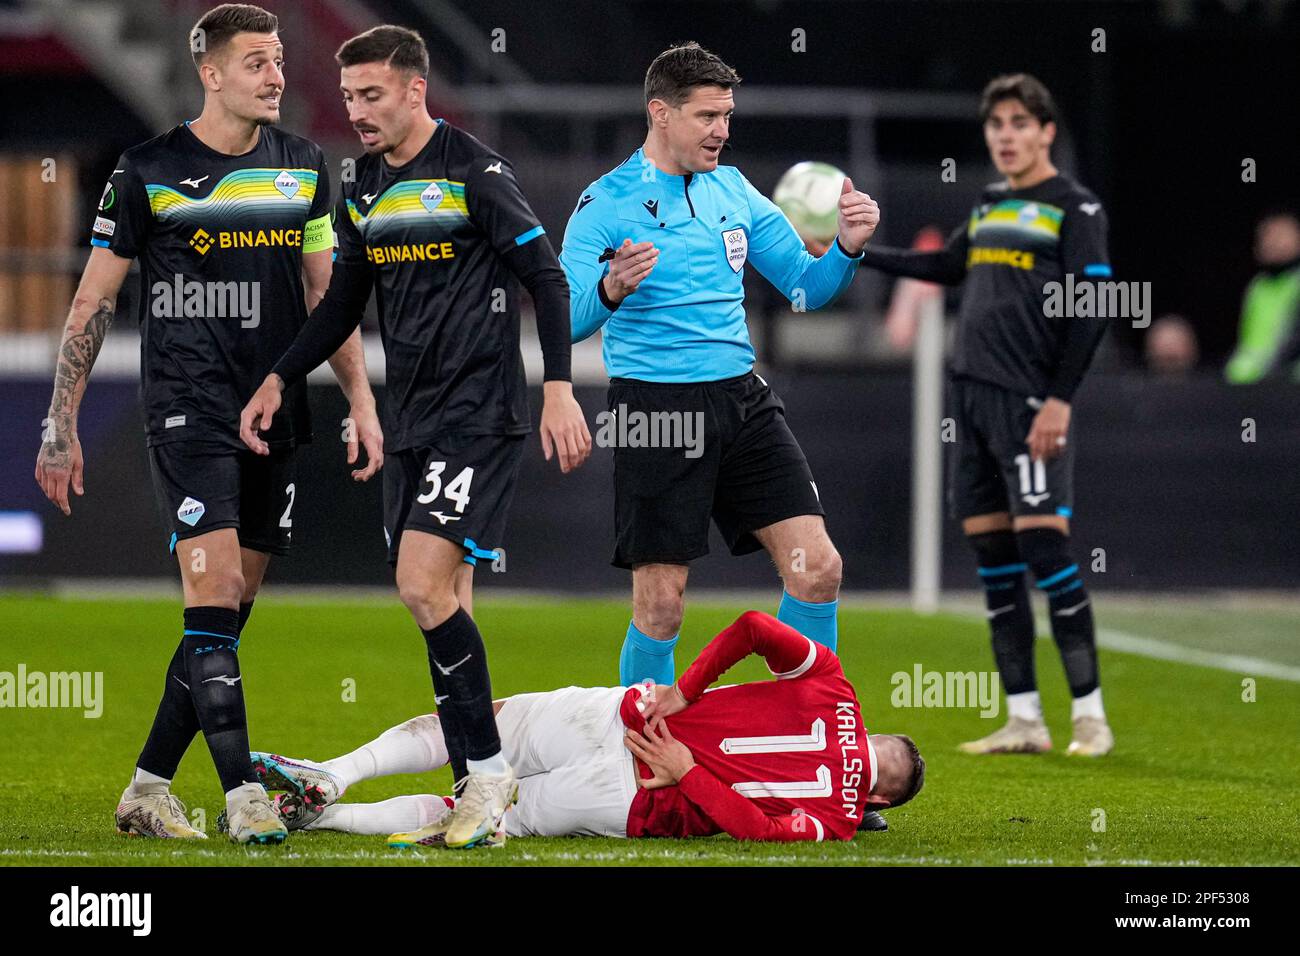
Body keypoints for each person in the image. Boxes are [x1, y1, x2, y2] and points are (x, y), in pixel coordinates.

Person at [32, 3, 380, 844]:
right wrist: (59, 423)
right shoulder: (146, 171)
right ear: (212, 73)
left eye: (278, 61)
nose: (277, 75)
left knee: (224, 614)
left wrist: (364, 403)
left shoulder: (305, 166)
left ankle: (148, 788)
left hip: (275, 411)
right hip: (187, 409)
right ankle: (243, 796)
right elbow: (92, 300)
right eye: (257, 62)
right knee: (215, 590)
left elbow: (325, 298)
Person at [238, 25, 591, 849]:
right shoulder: (359, 184)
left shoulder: (475, 171)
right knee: (446, 604)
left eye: (371, 96)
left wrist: (562, 389)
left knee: (421, 586)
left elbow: (548, 278)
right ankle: (477, 790)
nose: (356, 112)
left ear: (413, 90)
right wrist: (282, 374)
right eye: (350, 97)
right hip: (414, 420)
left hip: (480, 412)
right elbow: (340, 303)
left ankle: (491, 778)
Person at [558, 41, 878, 690]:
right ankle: (643, 760)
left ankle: (806, 734)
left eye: (727, 116)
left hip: (742, 400)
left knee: (817, 567)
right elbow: (562, 319)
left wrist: (846, 248)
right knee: (661, 604)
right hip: (655, 410)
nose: (721, 132)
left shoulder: (732, 188)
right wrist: (611, 289)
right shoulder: (604, 203)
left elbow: (803, 287)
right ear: (661, 113)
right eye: (708, 116)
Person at [856, 74, 1114, 757]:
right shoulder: (994, 200)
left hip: (1030, 402)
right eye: (996, 124)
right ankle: (1025, 720)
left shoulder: (1075, 207)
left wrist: (1060, 399)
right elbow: (945, 265)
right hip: (969, 400)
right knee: (995, 563)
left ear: (1046, 132)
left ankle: (1090, 716)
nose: (1005, 135)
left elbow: (1093, 311)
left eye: (1018, 123)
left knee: (1047, 553)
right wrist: (859, 253)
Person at [248, 611, 925, 845]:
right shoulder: (836, 819)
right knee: (478, 812)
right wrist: (689, 773)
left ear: (874, 732)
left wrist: (684, 696)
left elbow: (752, 628)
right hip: (643, 794)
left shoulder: (835, 686)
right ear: (880, 800)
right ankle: (320, 820)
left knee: (473, 728)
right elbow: (763, 832)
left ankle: (333, 775)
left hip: (630, 714)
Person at [1224, 212, 1300, 383]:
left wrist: (1274, 367)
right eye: (1266, 236)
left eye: (1280, 235)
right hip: (1254, 374)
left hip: (1288, 372)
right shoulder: (1257, 286)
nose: (1271, 242)